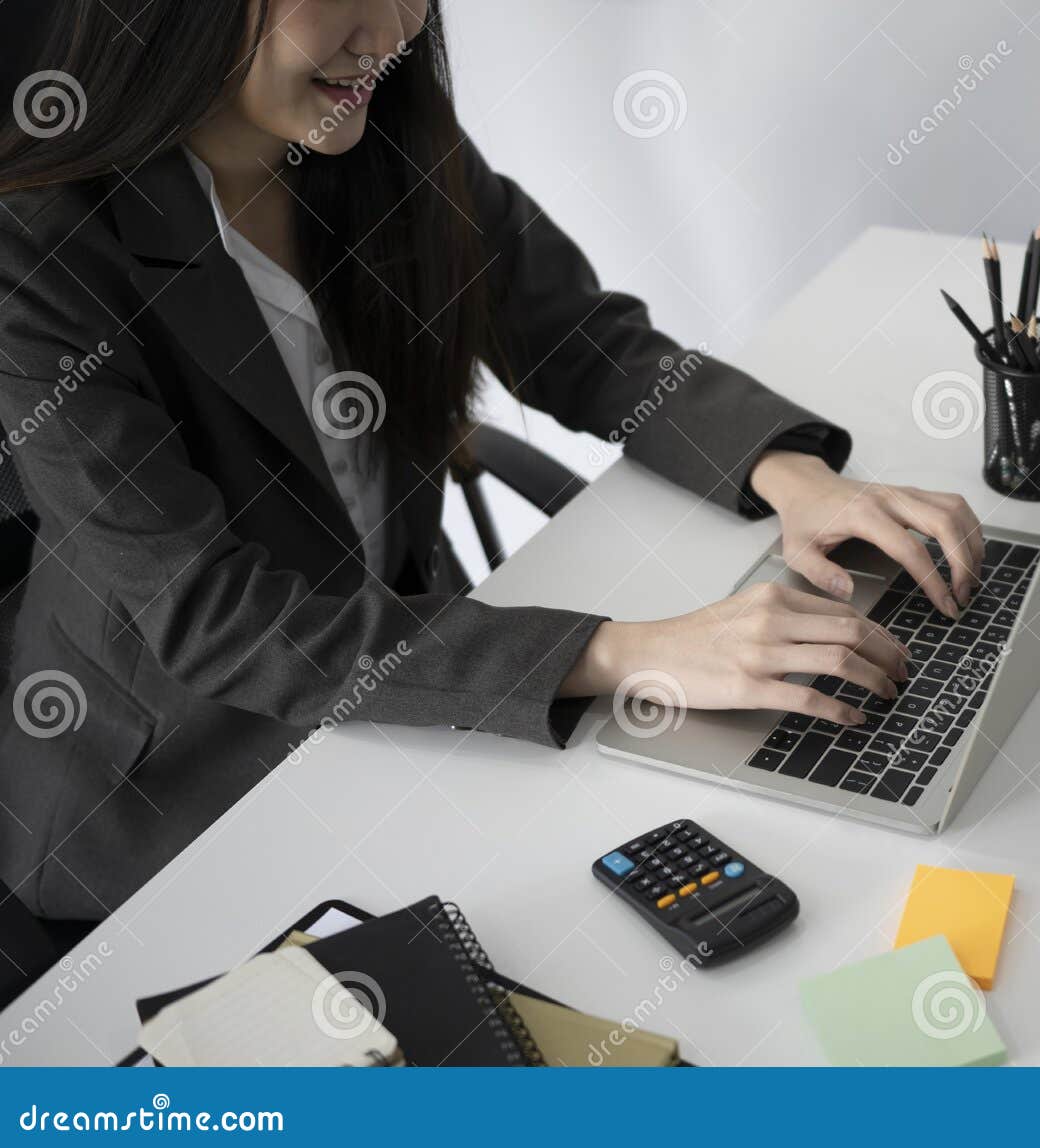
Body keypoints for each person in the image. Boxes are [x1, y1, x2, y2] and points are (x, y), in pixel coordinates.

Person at [0, 0, 984, 926]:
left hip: (410, 689)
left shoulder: (370, 133)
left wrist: (794, 476)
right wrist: (633, 649)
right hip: (182, 786)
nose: (390, 33)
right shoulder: (37, 252)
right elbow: (214, 615)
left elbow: (577, 337)